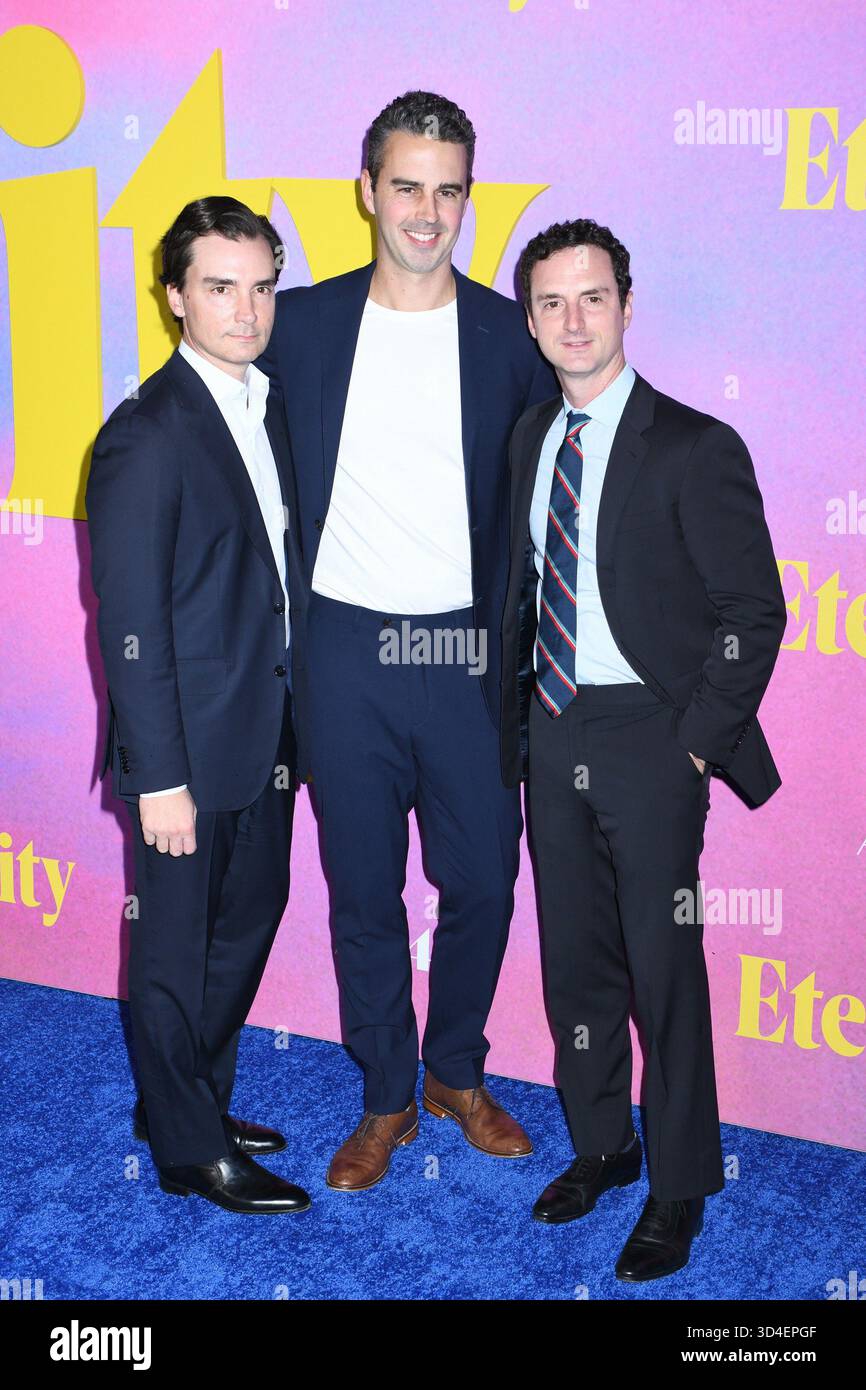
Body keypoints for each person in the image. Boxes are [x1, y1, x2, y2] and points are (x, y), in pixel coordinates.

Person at [257, 91, 557, 1191]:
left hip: (462, 656)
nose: (426, 211)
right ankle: (386, 1093)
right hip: (341, 648)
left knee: (481, 879)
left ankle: (455, 1071)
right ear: (367, 192)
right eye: (406, 185)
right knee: (363, 884)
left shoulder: (508, 337)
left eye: (447, 189)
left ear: (465, 197)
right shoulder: (297, 326)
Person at [500, 218, 787, 1278]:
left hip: (651, 739)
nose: (571, 320)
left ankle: (677, 1184)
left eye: (590, 298)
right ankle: (603, 1147)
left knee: (661, 970)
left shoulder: (693, 444)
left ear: (626, 305)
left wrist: (694, 748)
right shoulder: (532, 440)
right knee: (577, 966)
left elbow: (750, 612)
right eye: (550, 302)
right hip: (552, 724)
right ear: (529, 319)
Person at [86, 196, 311, 1214]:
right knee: (177, 951)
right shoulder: (146, 435)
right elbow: (127, 625)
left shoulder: (268, 408)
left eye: (261, 286)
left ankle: (187, 1099)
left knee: (247, 921)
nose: (246, 309)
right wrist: (158, 777)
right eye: (220, 287)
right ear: (175, 296)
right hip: (187, 752)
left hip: (265, 737)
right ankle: (185, 1147)